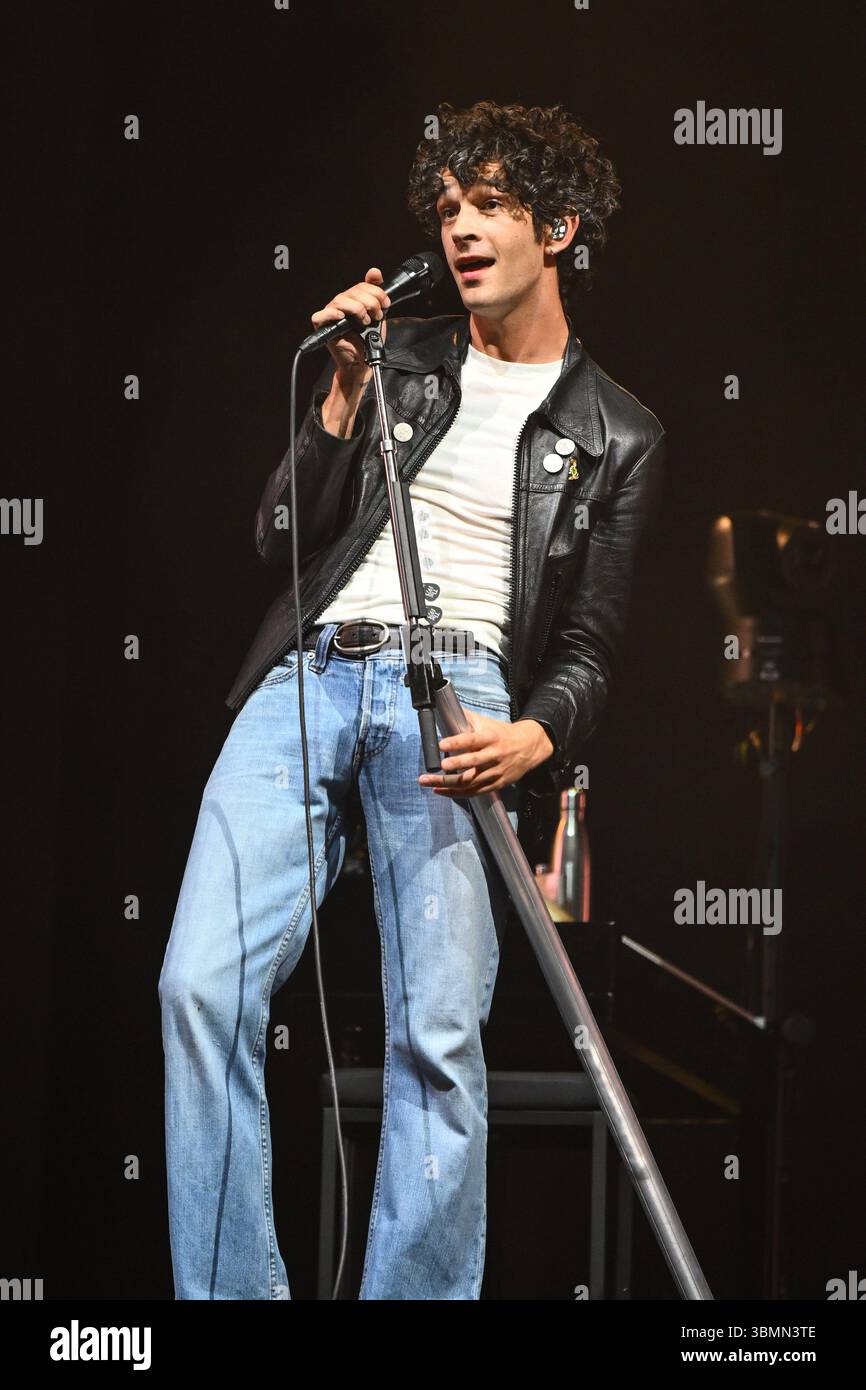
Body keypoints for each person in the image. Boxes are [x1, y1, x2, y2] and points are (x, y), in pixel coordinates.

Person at [158, 99, 666, 1300]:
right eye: (446, 208)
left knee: (436, 1039)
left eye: (489, 204)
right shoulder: (398, 358)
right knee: (197, 983)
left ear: (558, 226)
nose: (461, 229)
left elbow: (592, 641)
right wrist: (336, 398)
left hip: (461, 696)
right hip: (311, 674)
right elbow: (279, 536)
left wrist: (534, 733)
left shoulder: (617, 432)